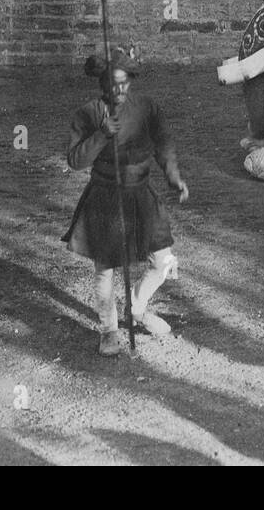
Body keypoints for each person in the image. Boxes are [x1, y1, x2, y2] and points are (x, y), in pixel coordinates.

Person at [64, 46, 189, 357]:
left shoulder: (146, 109)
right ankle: (108, 330)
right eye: (113, 84)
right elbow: (75, 160)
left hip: (141, 195)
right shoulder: (89, 114)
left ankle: (136, 308)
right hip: (105, 198)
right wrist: (102, 135)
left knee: (163, 261)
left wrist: (173, 177)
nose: (119, 89)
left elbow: (164, 144)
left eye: (125, 83)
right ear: (103, 85)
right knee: (105, 270)